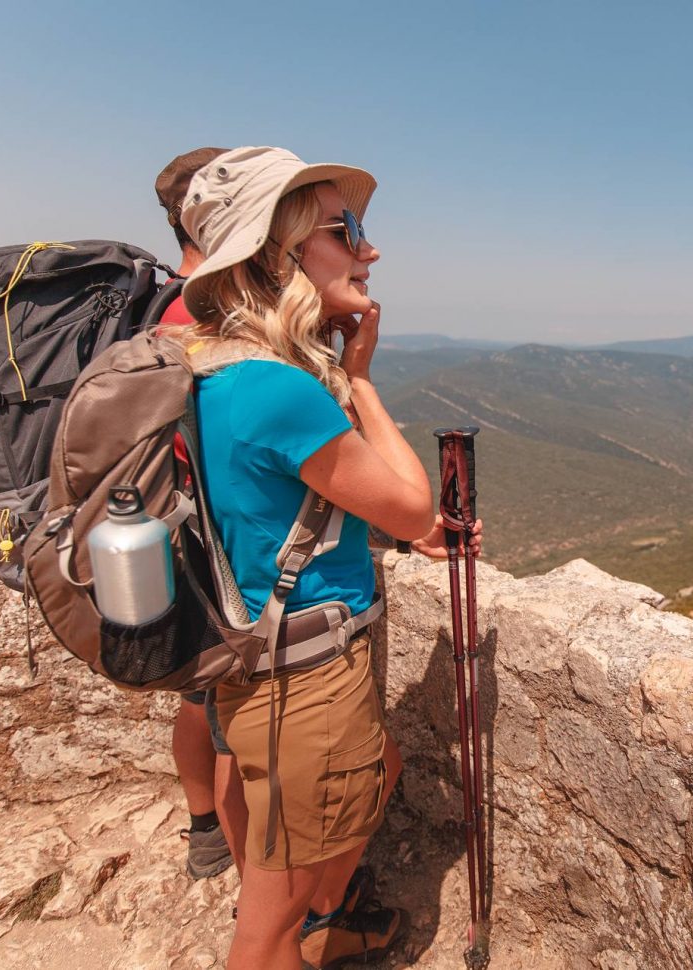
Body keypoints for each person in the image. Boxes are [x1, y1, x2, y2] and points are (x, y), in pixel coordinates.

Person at [175, 146, 481, 970]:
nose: (370, 250)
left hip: (261, 662)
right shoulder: (274, 387)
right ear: (280, 252)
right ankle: (302, 935)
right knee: (264, 929)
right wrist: (363, 380)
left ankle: (318, 924)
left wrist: (389, 529)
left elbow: (271, 504)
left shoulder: (210, 365)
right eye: (347, 231)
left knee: (375, 772)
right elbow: (414, 500)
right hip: (302, 679)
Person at [153, 146, 245, 881]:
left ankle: (205, 830)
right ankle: (265, 903)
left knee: (198, 702)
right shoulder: (203, 311)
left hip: (174, 533)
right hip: (216, 550)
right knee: (230, 731)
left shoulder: (164, 301)